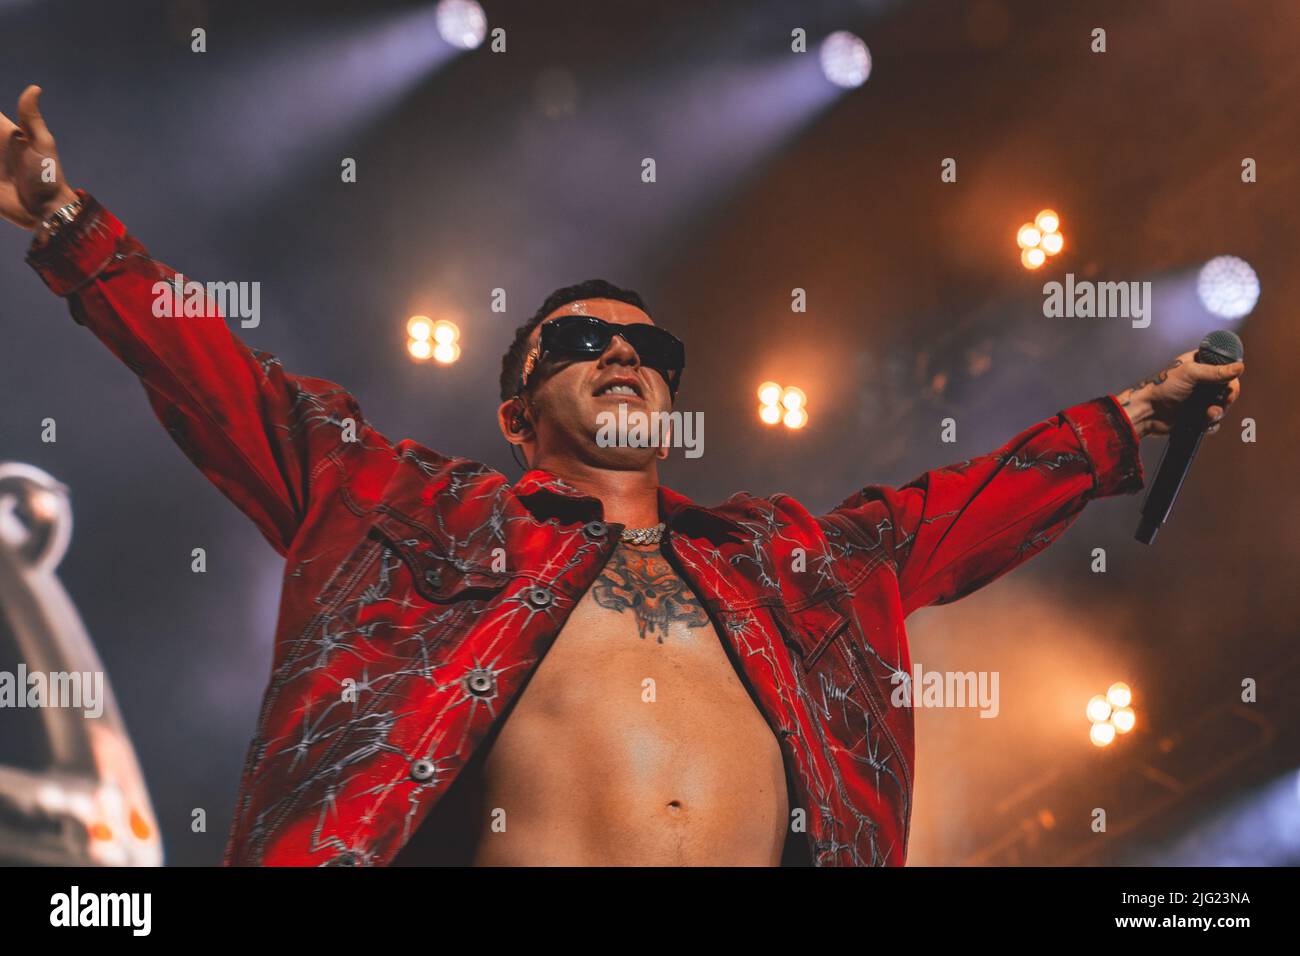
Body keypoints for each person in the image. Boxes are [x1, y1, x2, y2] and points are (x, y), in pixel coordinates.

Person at [2, 86, 1243, 866]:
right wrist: (64, 223)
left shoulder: (788, 559)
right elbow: (225, 382)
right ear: (514, 407)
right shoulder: (409, 508)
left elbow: (955, 508)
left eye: (646, 347)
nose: (621, 356)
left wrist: (1127, 419)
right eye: (581, 341)